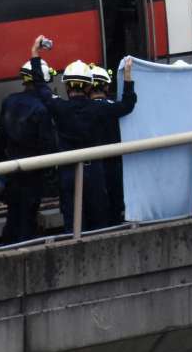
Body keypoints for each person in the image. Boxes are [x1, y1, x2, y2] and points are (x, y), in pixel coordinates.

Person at [51, 58, 137, 233]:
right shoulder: (99, 109)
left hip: (68, 172)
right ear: (89, 87)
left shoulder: (59, 108)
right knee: (99, 223)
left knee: (73, 223)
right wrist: (128, 77)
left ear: (67, 86)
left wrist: (35, 55)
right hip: (94, 172)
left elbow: (41, 92)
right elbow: (127, 105)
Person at [0, 36, 59, 243]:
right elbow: (49, 145)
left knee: (13, 215)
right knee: (28, 217)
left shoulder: (9, 102)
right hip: (34, 172)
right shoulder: (41, 109)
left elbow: (0, 140)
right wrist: (51, 178)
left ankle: (8, 247)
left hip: (13, 169)